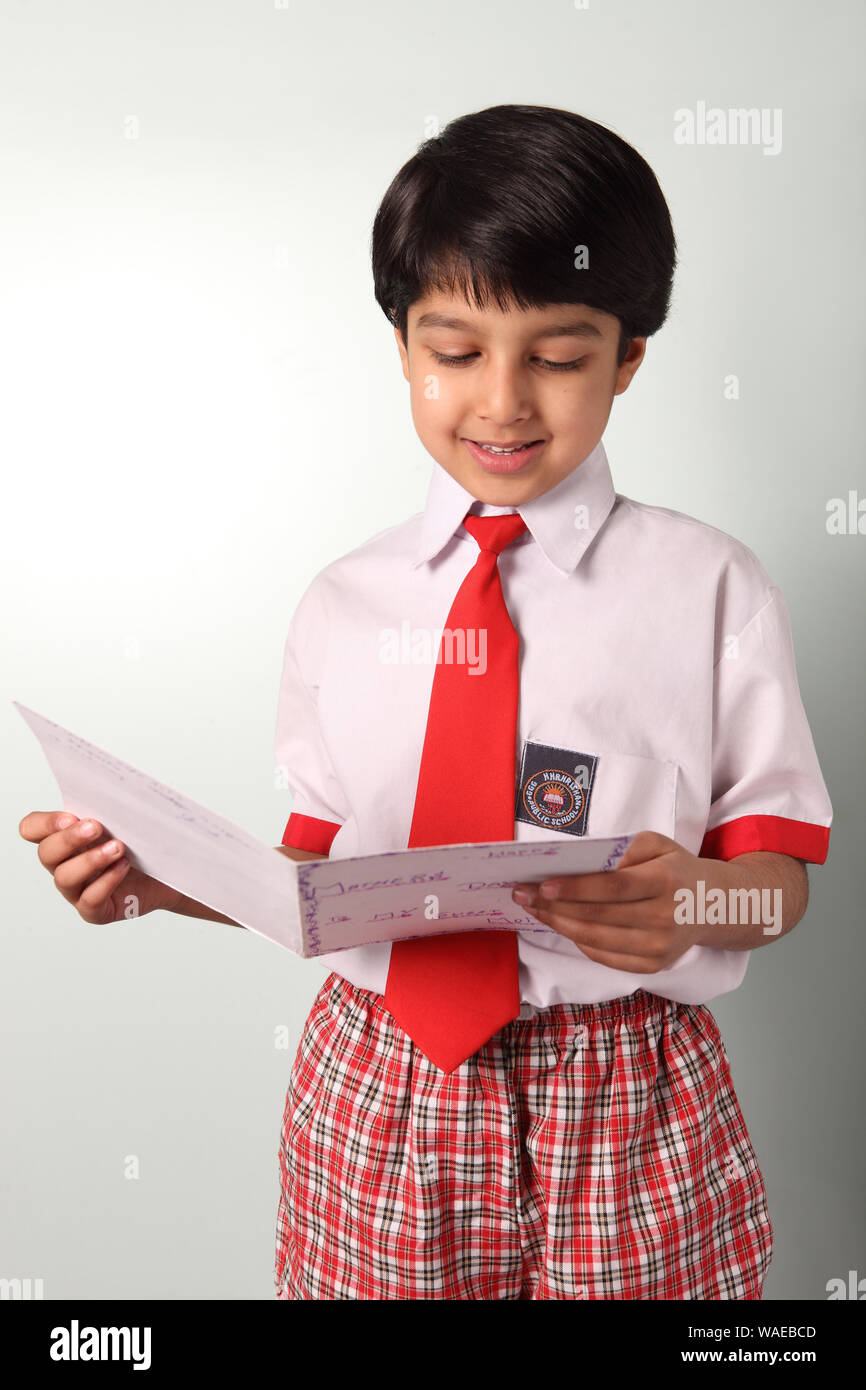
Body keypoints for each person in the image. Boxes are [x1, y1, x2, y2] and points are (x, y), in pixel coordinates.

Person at [20, 104, 832, 1301]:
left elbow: (777, 880)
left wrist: (691, 902)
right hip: (378, 1094)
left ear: (629, 355)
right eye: (453, 351)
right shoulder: (343, 604)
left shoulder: (711, 588)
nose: (501, 401)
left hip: (626, 1101)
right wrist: (152, 884)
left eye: (556, 356)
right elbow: (313, 882)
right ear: (401, 345)